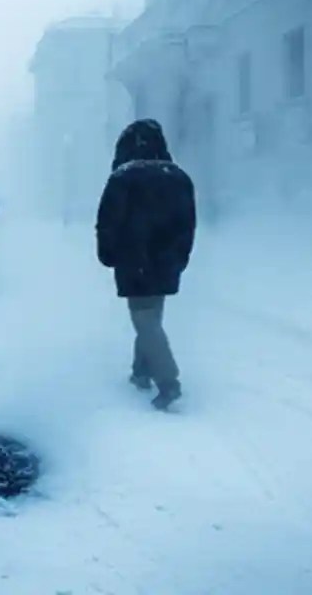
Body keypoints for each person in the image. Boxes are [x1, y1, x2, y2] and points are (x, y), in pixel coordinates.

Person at [95, 119, 196, 411]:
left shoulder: (123, 177)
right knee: (152, 317)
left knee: (144, 318)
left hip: (133, 259)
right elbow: (188, 223)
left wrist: (107, 255)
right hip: (168, 260)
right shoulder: (179, 177)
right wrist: (181, 256)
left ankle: (168, 381)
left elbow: (108, 223)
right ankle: (141, 371)